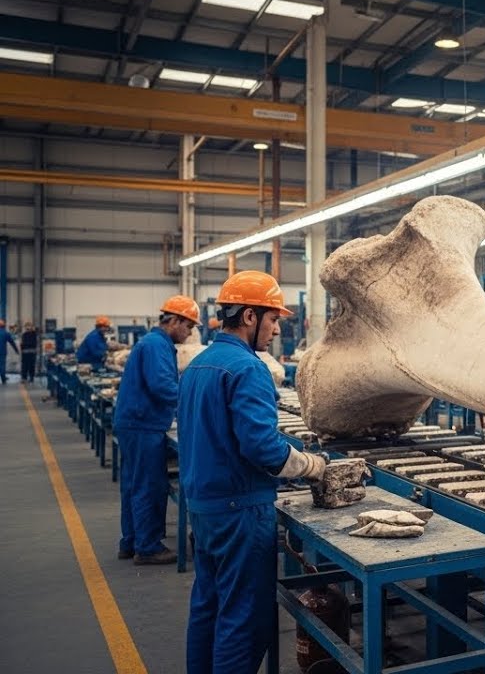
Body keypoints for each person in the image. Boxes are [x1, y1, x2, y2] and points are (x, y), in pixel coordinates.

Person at [177, 271, 327, 674]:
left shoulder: (199, 365)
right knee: (244, 619)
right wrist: (311, 465)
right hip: (239, 511)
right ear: (248, 316)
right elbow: (262, 446)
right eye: (273, 319)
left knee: (208, 606)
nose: (276, 329)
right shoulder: (247, 368)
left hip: (204, 507)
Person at [114, 296, 200, 565]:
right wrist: (195, 406)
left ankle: (130, 542)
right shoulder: (155, 345)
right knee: (149, 485)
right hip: (143, 425)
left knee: (133, 484)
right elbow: (163, 387)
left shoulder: (154, 343)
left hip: (135, 422)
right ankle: (148, 547)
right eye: (187, 327)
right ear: (173, 320)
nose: (189, 334)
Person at [0, 319, 17, 384]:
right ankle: (3, 378)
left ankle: (3, 376)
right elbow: (12, 342)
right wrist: (16, 350)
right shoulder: (6, 333)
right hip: (2, 352)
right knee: (2, 365)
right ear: (4, 326)